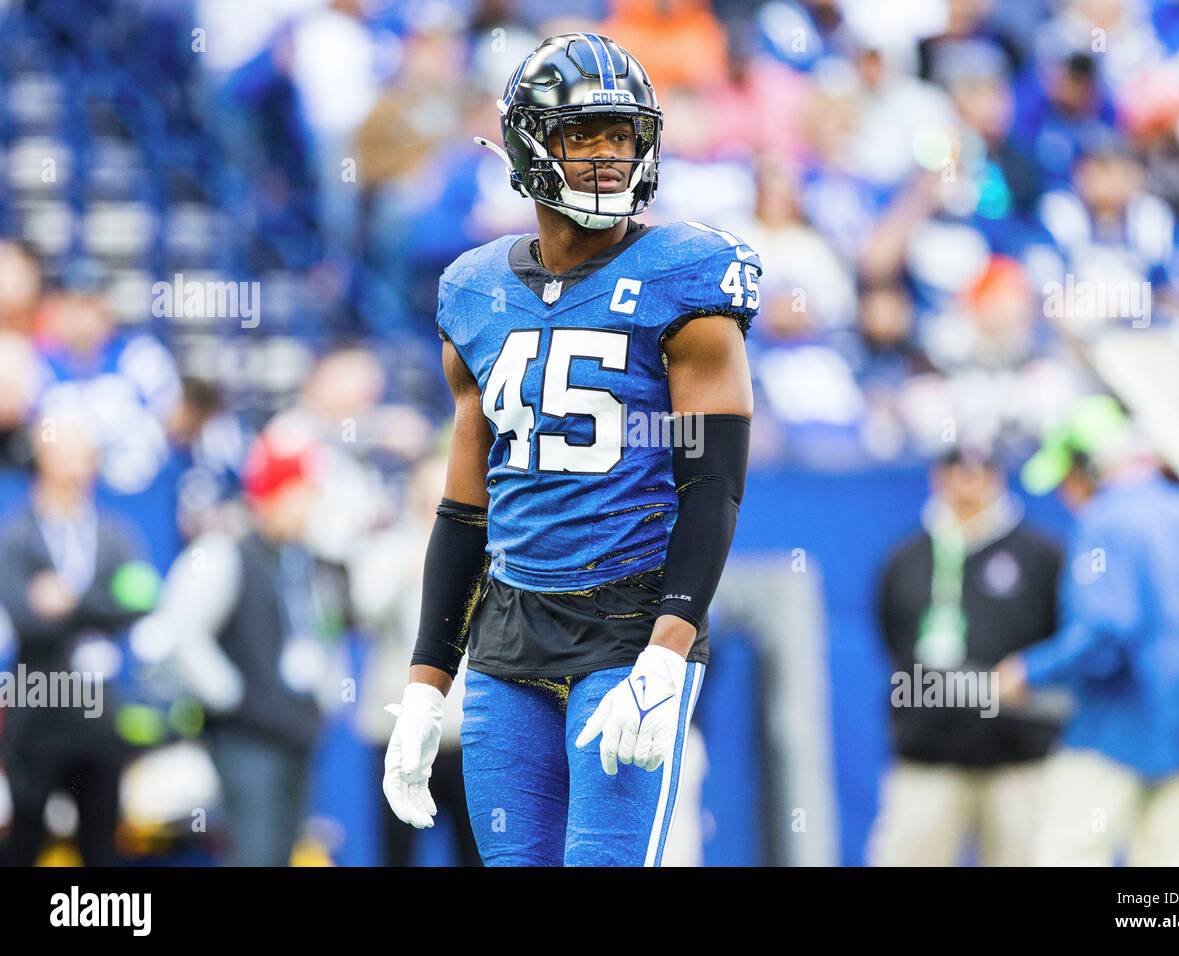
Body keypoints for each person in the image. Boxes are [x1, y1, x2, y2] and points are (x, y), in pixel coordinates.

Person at [381, 33, 759, 867]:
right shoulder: (474, 291)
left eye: (620, 136)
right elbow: (463, 508)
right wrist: (423, 685)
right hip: (509, 631)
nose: (604, 156)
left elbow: (714, 485)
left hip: (630, 622)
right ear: (527, 143)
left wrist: (667, 652)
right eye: (581, 134)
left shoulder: (685, 274)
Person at [996, 396, 1179, 866]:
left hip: (1113, 735)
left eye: (1066, 477)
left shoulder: (1106, 523)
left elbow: (1106, 632)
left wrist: (1028, 672)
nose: (1066, 494)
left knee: (1067, 855)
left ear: (1087, 466)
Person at [144, 421, 349, 866]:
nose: (311, 506)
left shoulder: (307, 560)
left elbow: (324, 634)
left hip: (296, 732)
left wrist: (327, 697)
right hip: (248, 736)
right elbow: (181, 628)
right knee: (254, 855)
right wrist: (228, 693)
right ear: (274, 494)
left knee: (282, 851)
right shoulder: (226, 553)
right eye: (303, 492)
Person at [870, 443, 1063, 866]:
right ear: (938, 478)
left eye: (979, 471)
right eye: (956, 470)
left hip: (1019, 758)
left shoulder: (1040, 557)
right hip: (928, 756)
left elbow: (1061, 640)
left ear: (997, 478)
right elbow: (891, 634)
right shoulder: (907, 558)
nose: (967, 483)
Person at [0, 413, 158, 866]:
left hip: (99, 714)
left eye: (82, 455)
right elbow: (25, 617)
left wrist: (71, 602)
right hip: (38, 708)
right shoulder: (17, 534)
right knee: (25, 838)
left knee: (102, 844)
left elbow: (140, 598)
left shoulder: (114, 533)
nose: (73, 467)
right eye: (62, 454)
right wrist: (96, 605)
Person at [351, 454, 479, 867]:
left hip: (465, 732)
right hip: (400, 730)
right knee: (398, 851)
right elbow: (364, 608)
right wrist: (420, 561)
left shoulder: (487, 547)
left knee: (475, 851)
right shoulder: (389, 548)